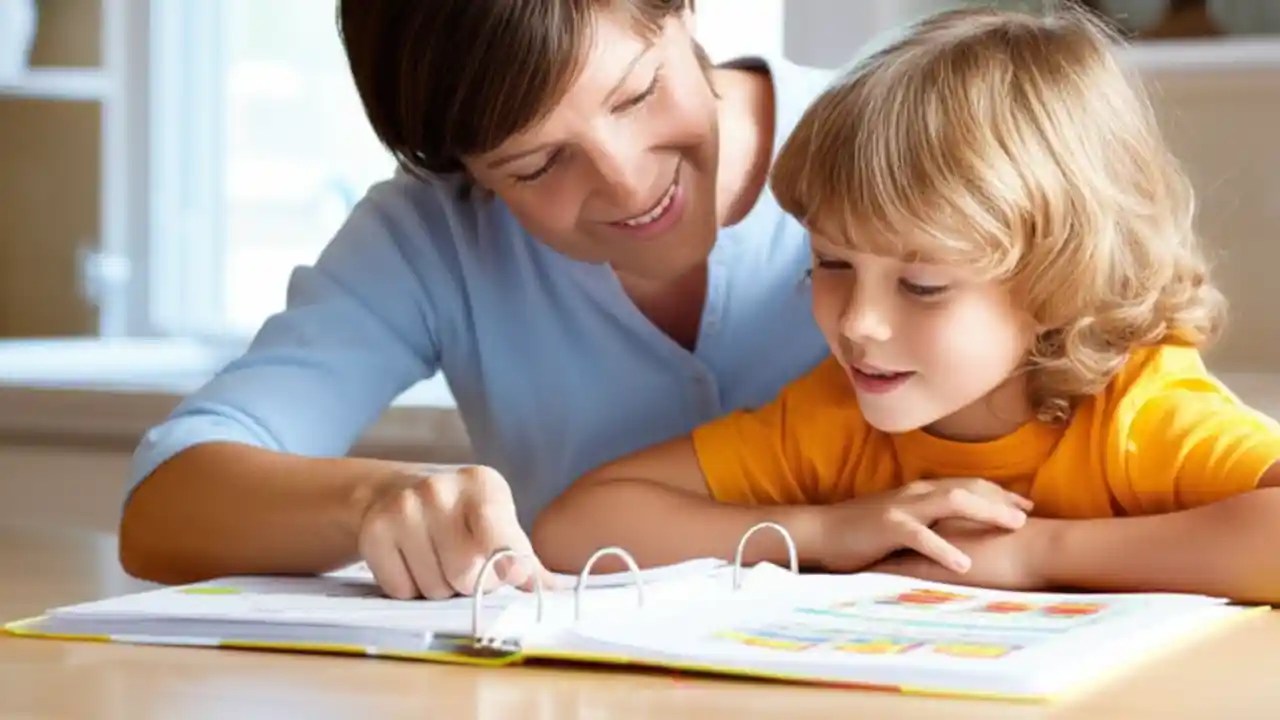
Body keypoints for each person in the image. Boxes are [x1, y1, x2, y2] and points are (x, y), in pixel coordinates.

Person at [121, 0, 1027, 601]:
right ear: (465, 173)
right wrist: (372, 502)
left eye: (639, 93)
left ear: (683, 10)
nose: (629, 183)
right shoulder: (434, 236)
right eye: (537, 163)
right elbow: (166, 503)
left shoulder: (914, 149)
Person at [533, 5, 1280, 603]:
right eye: (831, 263)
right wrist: (827, 533)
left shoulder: (1134, 412)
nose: (858, 323)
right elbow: (575, 528)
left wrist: (1035, 553)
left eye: (923, 286)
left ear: (1060, 280)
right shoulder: (833, 420)